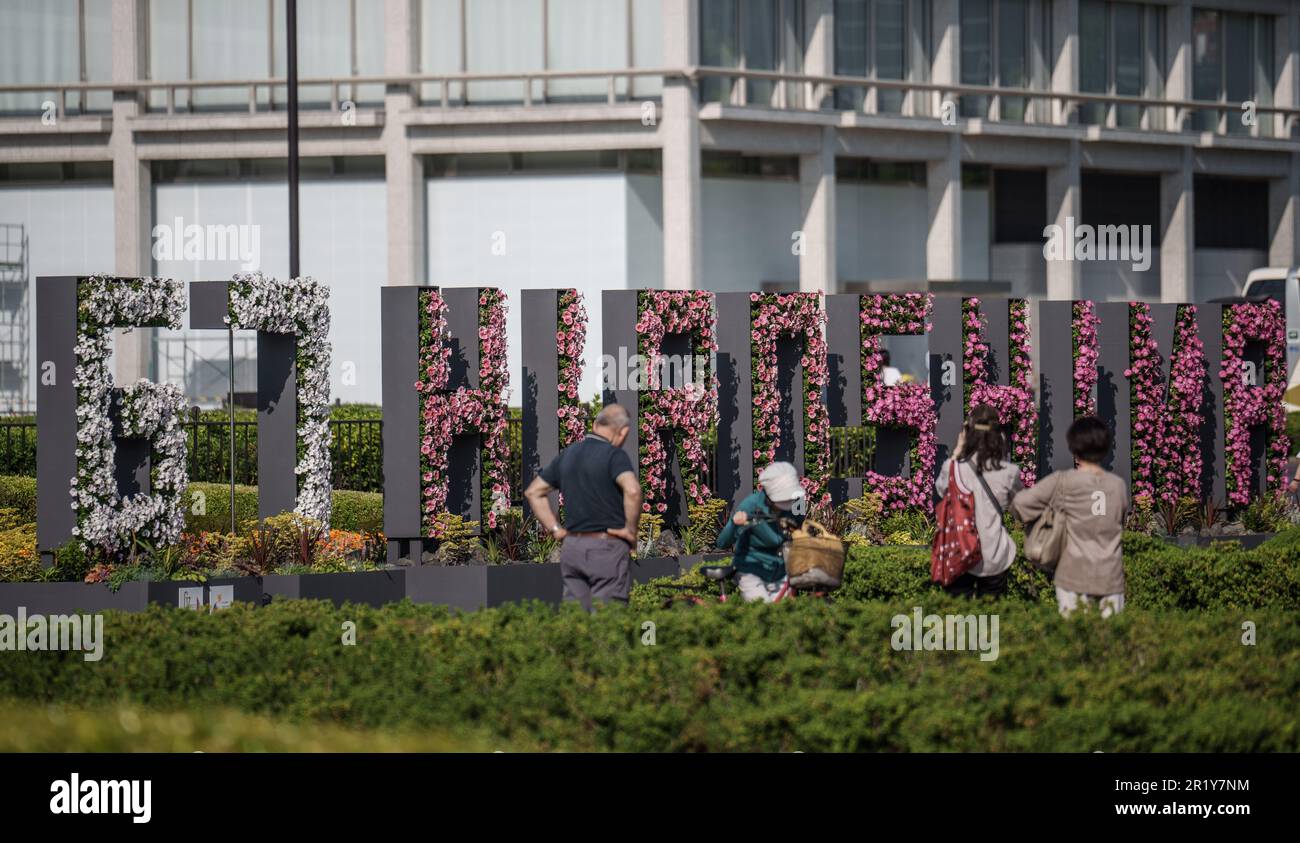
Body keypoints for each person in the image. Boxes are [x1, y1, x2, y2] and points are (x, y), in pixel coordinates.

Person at [523, 404, 641, 611]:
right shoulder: (614, 456)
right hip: (607, 548)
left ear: (595, 425)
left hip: (572, 549)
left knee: (576, 621)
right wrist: (630, 530)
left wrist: (556, 530)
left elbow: (534, 492)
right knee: (608, 622)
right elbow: (632, 490)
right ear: (624, 432)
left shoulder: (569, 454)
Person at [1012, 415, 1129, 618]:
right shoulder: (1117, 485)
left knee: (1075, 639)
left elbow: (1020, 506)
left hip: (1073, 573)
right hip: (1110, 575)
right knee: (1110, 643)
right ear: (1105, 448)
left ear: (1074, 448)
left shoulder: (1064, 481)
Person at [934, 403, 1022, 598]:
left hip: (960, 553)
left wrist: (958, 450)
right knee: (992, 620)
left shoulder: (953, 467)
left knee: (960, 621)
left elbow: (941, 491)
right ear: (998, 434)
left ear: (967, 432)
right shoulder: (1009, 472)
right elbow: (1019, 510)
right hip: (995, 555)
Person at [717, 461, 803, 603]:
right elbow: (722, 542)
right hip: (752, 569)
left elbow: (799, 528)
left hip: (780, 570)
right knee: (763, 614)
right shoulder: (751, 505)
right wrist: (734, 523)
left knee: (785, 617)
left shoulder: (796, 504)